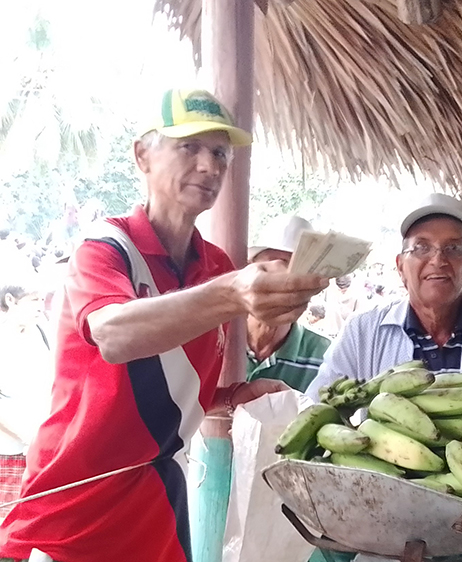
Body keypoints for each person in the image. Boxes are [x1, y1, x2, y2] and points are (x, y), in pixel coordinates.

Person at [0, 89, 328, 562]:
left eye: (220, 153)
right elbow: (113, 335)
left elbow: (160, 390)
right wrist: (232, 294)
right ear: (142, 156)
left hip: (156, 501)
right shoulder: (105, 248)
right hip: (73, 502)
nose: (209, 166)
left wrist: (231, 396)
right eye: (189, 147)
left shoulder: (215, 265)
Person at [307, 193, 462, 562]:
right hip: (386, 532)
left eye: (454, 248)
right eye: (421, 248)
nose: (438, 259)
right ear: (400, 266)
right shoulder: (363, 331)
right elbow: (318, 409)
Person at [246, 216, 332, 392]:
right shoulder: (213, 341)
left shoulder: (325, 357)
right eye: (276, 265)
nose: (286, 280)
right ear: (248, 269)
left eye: (298, 270)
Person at [0, 282, 52, 523]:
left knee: (35, 523)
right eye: (33, 300)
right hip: (8, 450)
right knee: (7, 524)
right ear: (10, 301)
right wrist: (25, 436)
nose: (40, 306)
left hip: (42, 448)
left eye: (41, 300)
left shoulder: (43, 333)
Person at [327, 273, 361, 337]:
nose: (342, 291)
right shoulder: (331, 294)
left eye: (344, 290)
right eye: (340, 289)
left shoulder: (356, 295)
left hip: (349, 332)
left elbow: (358, 315)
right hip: (333, 332)